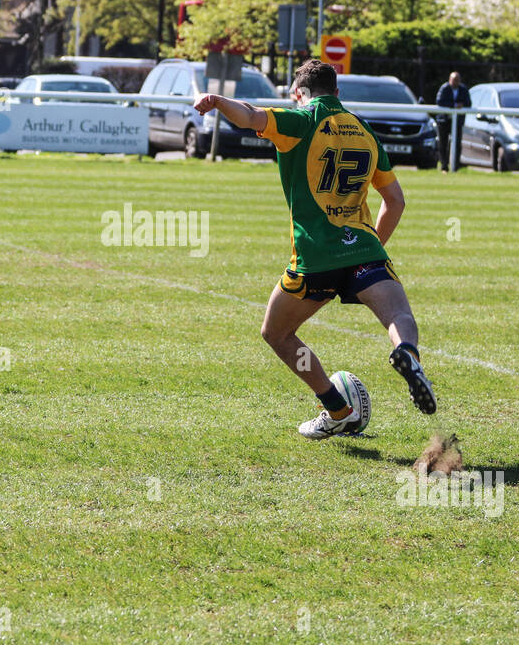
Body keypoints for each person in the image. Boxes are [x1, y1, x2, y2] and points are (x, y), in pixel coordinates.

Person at [192, 58, 437, 439]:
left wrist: (219, 101)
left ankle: (336, 408)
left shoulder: (301, 120)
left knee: (277, 333)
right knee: (398, 315)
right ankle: (408, 353)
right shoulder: (364, 130)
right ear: (338, 93)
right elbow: (396, 200)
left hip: (314, 258)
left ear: (297, 94)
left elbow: (253, 117)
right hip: (364, 251)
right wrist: (370, 248)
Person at [434, 71, 470, 171]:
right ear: (450, 80)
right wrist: (454, 105)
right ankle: (444, 167)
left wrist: (462, 105)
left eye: (458, 80)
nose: (456, 82)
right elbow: (439, 101)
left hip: (457, 121)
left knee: (457, 143)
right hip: (444, 120)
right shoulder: (444, 88)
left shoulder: (463, 89)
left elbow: (468, 103)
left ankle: (455, 167)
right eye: (454, 80)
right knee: (443, 143)